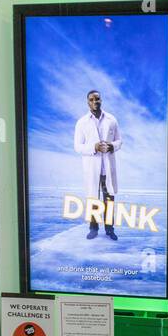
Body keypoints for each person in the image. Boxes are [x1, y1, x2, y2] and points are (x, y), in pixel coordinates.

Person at [72, 90, 122, 240]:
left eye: (97, 99)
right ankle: (93, 228)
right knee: (93, 199)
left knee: (109, 200)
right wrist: (93, 147)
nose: (95, 101)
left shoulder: (111, 119)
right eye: (91, 99)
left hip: (107, 168)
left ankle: (109, 229)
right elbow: (77, 146)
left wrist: (112, 146)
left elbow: (120, 140)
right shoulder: (82, 122)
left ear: (101, 100)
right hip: (92, 168)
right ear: (88, 102)